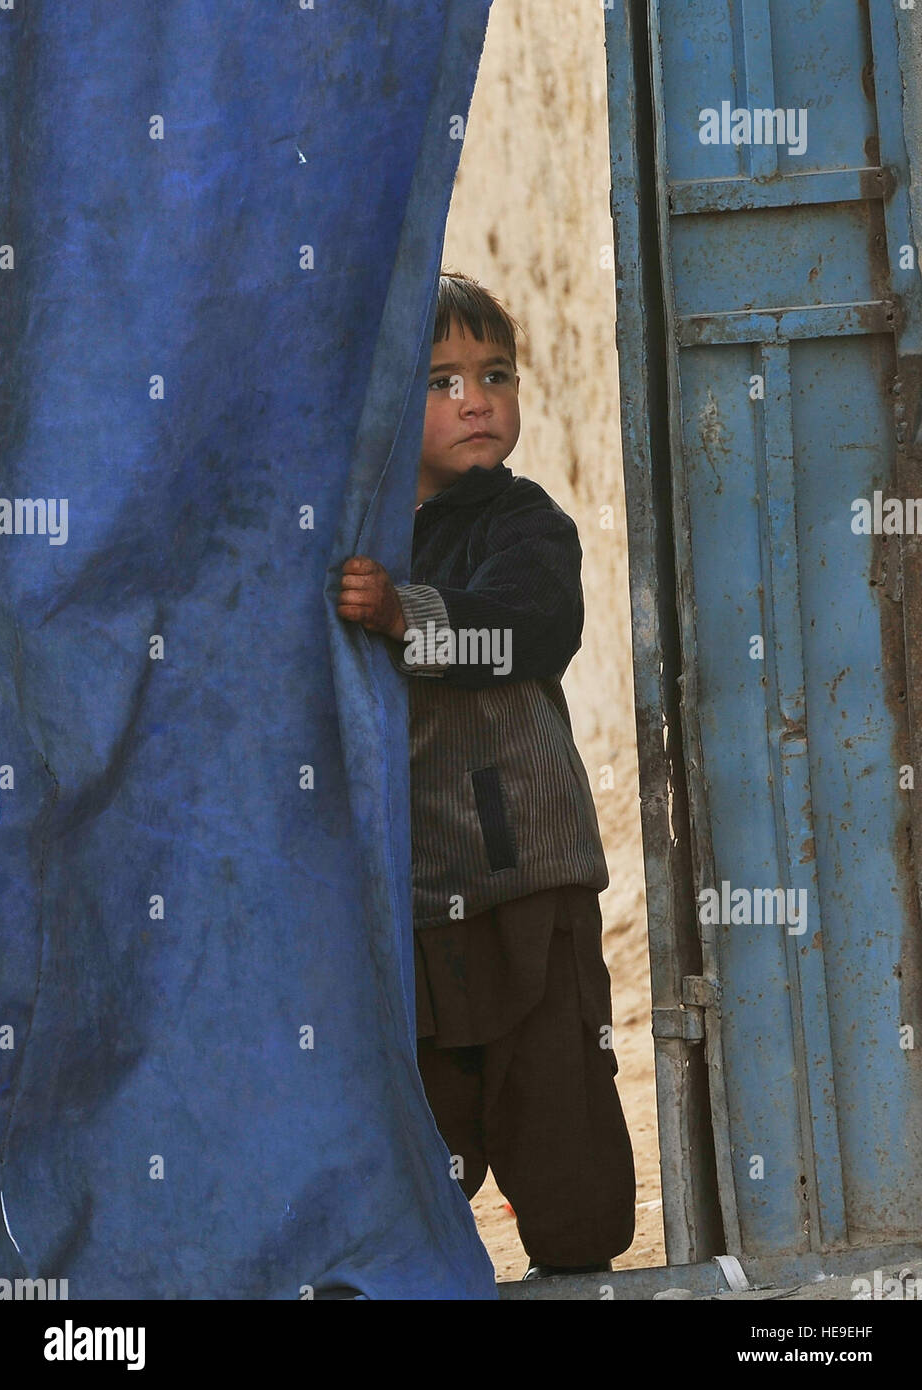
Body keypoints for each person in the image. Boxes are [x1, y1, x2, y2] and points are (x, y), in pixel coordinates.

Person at [335, 269, 635, 1278]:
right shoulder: (349, 543)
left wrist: (402, 616)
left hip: (530, 890)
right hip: (418, 915)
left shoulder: (523, 525)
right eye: (441, 380)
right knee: (428, 1138)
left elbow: (532, 628)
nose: (477, 398)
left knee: (574, 1193)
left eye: (494, 373)